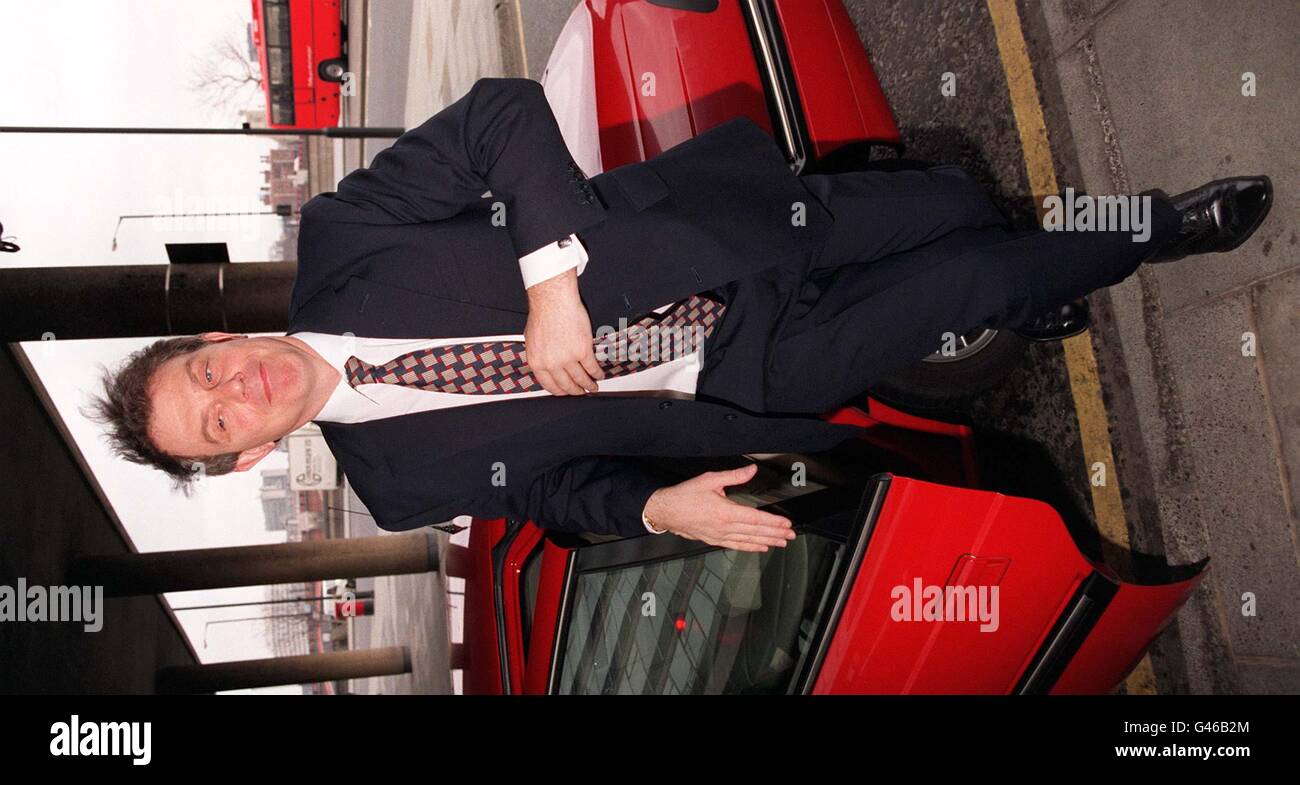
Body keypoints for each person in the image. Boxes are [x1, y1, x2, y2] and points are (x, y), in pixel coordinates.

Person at [92, 78, 1272, 553]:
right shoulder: (394, 489)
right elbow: (548, 491)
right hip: (742, 374)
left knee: (949, 208)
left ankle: (1028, 244)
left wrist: (549, 277)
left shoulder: (348, 240)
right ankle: (1160, 228)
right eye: (212, 423)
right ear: (245, 453)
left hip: (727, 234)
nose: (230, 389)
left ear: (217, 339)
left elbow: (501, 119)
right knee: (975, 286)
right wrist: (652, 504)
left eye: (203, 369)